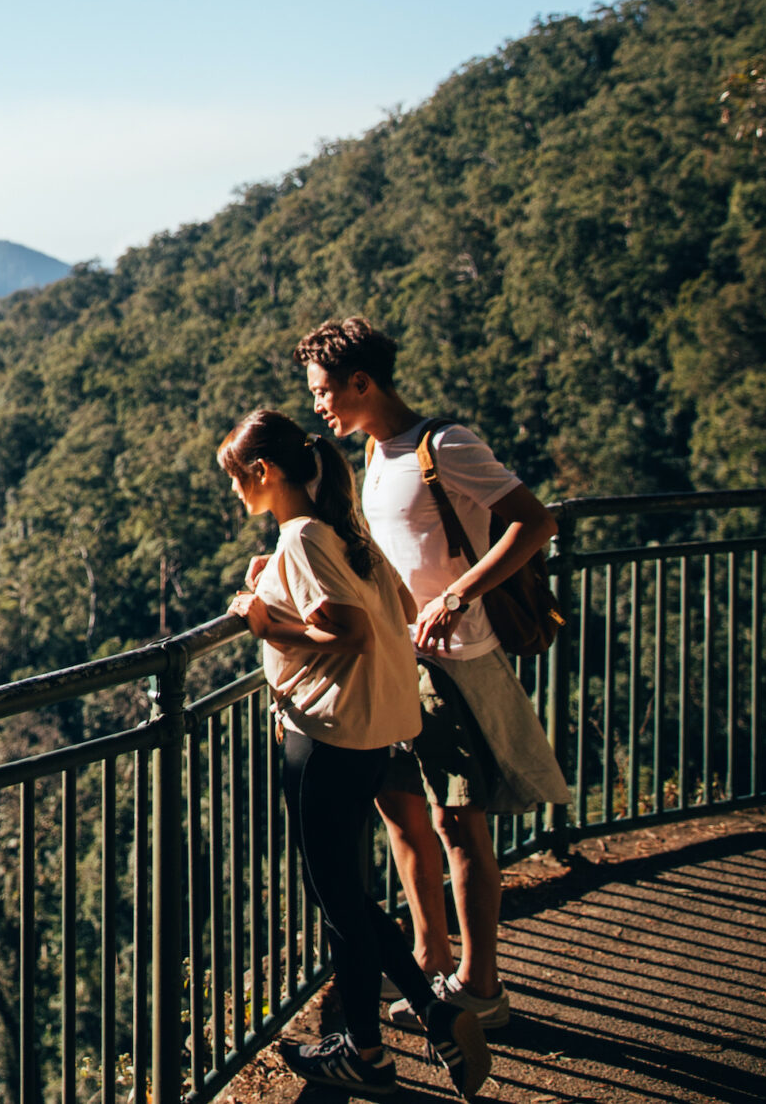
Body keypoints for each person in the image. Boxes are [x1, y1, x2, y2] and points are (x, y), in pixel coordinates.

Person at [296, 316, 574, 1031]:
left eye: (326, 391)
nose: (320, 405)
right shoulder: (374, 455)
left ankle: (481, 986)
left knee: (458, 825)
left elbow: (533, 522)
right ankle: (428, 960)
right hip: (398, 663)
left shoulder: (443, 445)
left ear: (363, 382)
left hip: (452, 665)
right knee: (401, 816)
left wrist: (458, 594)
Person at [222, 408, 492, 1099]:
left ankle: (371, 1050)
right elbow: (393, 606)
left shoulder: (306, 534)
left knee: (338, 899)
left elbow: (347, 633)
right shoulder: (343, 531)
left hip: (325, 736)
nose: (234, 492)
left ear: (265, 472)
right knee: (346, 894)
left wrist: (263, 620)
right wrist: (276, 580)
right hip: (376, 732)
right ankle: (421, 1020)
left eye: (236, 478)